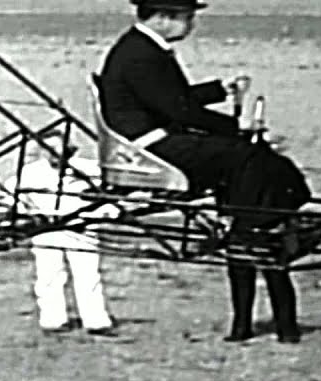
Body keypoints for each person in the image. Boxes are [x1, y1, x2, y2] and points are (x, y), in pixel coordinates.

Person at [96, 0, 309, 343]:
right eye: (187, 18)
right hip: (156, 146)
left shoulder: (140, 48)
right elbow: (179, 110)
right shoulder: (142, 55)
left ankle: (253, 222)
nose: (191, 24)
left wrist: (218, 90)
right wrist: (237, 129)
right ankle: (263, 221)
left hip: (155, 138)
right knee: (252, 157)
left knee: (251, 156)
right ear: (163, 18)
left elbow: (172, 99)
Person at [10, 130, 120, 338]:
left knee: (88, 274)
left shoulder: (88, 169)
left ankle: (96, 320)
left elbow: (108, 197)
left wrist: (103, 214)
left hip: (80, 229)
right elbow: (13, 197)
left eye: (58, 150)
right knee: (48, 275)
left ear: (69, 150)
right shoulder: (29, 173)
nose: (54, 155)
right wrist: (26, 216)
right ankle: (53, 320)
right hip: (45, 230)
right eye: (49, 150)